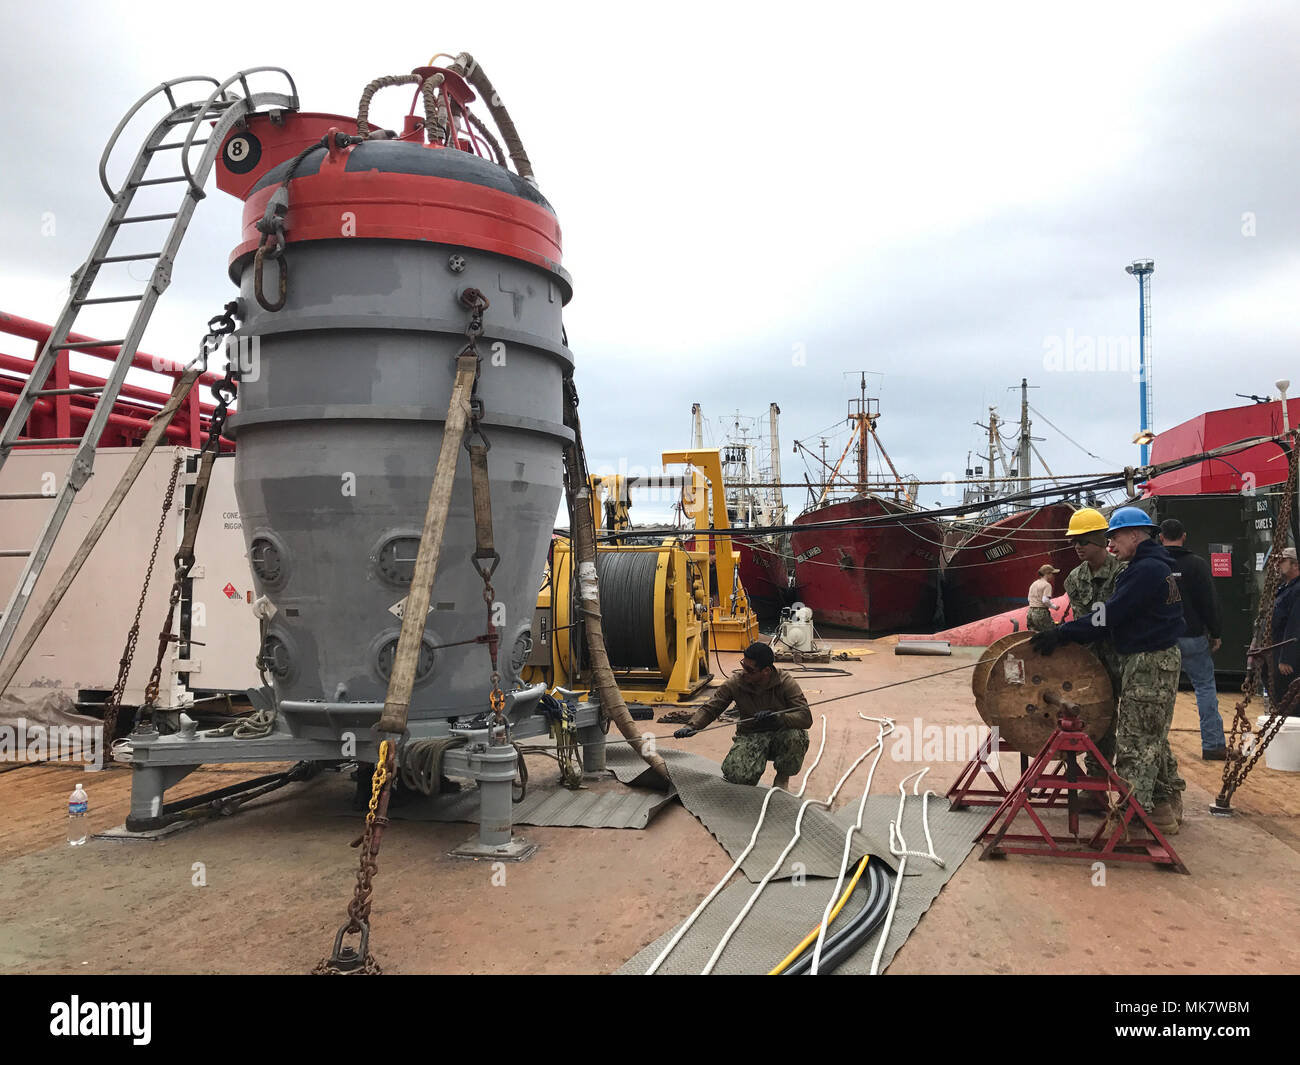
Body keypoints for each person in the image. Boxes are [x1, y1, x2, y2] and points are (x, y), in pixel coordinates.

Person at [1030, 507, 1186, 834]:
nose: (1112, 543)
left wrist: (1063, 633)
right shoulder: (1151, 567)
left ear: (1133, 534)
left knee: (1137, 740)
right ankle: (1150, 806)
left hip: (1142, 662)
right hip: (1128, 658)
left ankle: (1137, 815)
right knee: (1135, 731)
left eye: (1113, 536)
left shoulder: (1139, 571)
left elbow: (1108, 616)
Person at [673, 641, 813, 788]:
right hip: (751, 734)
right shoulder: (736, 682)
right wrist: (691, 726)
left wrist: (778, 718)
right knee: (736, 776)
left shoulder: (785, 682)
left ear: (766, 671)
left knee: (797, 736)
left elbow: (805, 718)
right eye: (743, 665)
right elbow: (712, 708)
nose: (744, 672)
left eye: (750, 669)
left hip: (780, 733)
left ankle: (782, 779)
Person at [1061, 508, 1125, 789]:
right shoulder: (1074, 579)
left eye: (1083, 541)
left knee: (1139, 726)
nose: (1077, 547)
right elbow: (1081, 621)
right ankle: (1097, 784)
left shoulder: (1123, 573)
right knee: (1096, 719)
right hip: (1092, 663)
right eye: (1074, 542)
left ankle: (1159, 793)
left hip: (1125, 658)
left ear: (1101, 540)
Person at [1159, 518, 1226, 759]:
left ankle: (1157, 747)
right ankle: (1213, 745)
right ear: (1184, 536)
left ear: (1160, 537)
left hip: (1163, 638)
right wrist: (1215, 632)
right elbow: (1209, 601)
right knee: (1205, 687)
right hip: (1193, 635)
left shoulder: (1155, 565)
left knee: (1161, 692)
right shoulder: (1196, 565)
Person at [1268, 547, 1300, 710]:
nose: (1277, 565)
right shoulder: (1285, 587)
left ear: (1295, 565)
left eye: (1282, 561)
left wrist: (1287, 658)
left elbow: (1295, 625)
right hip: (1277, 649)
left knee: (1290, 703)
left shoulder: (1297, 590)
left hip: (1288, 658)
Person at [1027, 564, 1059, 632]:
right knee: (1051, 633)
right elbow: (1045, 600)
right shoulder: (1047, 585)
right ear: (1047, 574)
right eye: (1052, 574)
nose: (1053, 576)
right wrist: (1054, 607)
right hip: (1041, 613)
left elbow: (1029, 598)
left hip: (1030, 612)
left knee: (1036, 634)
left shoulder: (1034, 584)